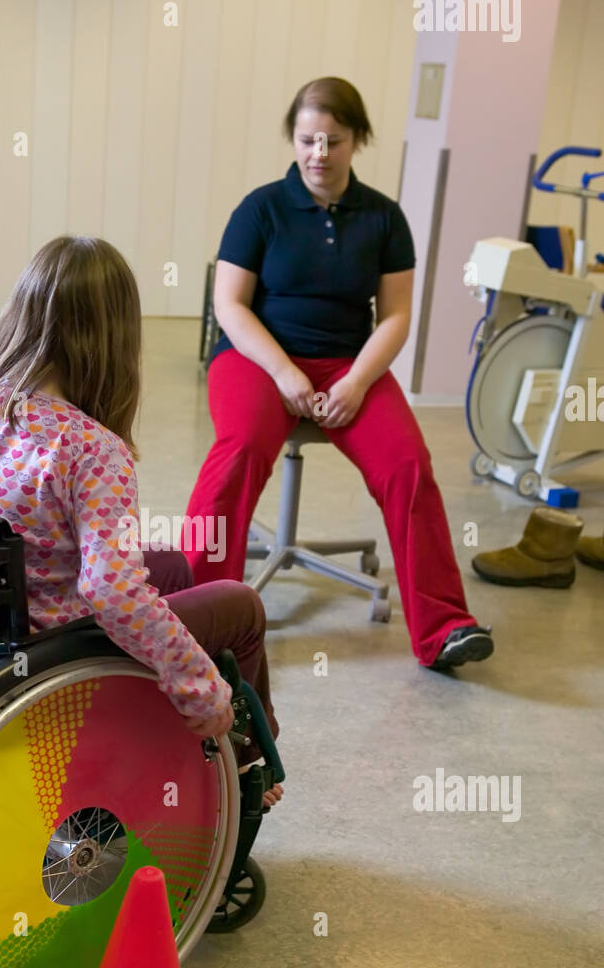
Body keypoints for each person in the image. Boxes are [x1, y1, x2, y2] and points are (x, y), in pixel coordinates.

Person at [0, 235, 282, 803]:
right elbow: (110, 592)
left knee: (173, 566)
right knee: (241, 605)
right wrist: (200, 687)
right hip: (49, 648)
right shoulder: (93, 450)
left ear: (21, 318)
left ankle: (156, 735)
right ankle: (246, 761)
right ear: (113, 342)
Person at [184, 76, 494, 672]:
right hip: (257, 356)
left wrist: (354, 383)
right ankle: (193, 620)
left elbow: (397, 316)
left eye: (333, 140)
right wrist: (283, 374)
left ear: (357, 140)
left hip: (349, 364)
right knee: (240, 448)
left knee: (408, 466)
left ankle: (444, 627)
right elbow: (231, 305)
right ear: (293, 139)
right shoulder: (260, 209)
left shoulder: (384, 218)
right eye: (307, 140)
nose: (318, 154)